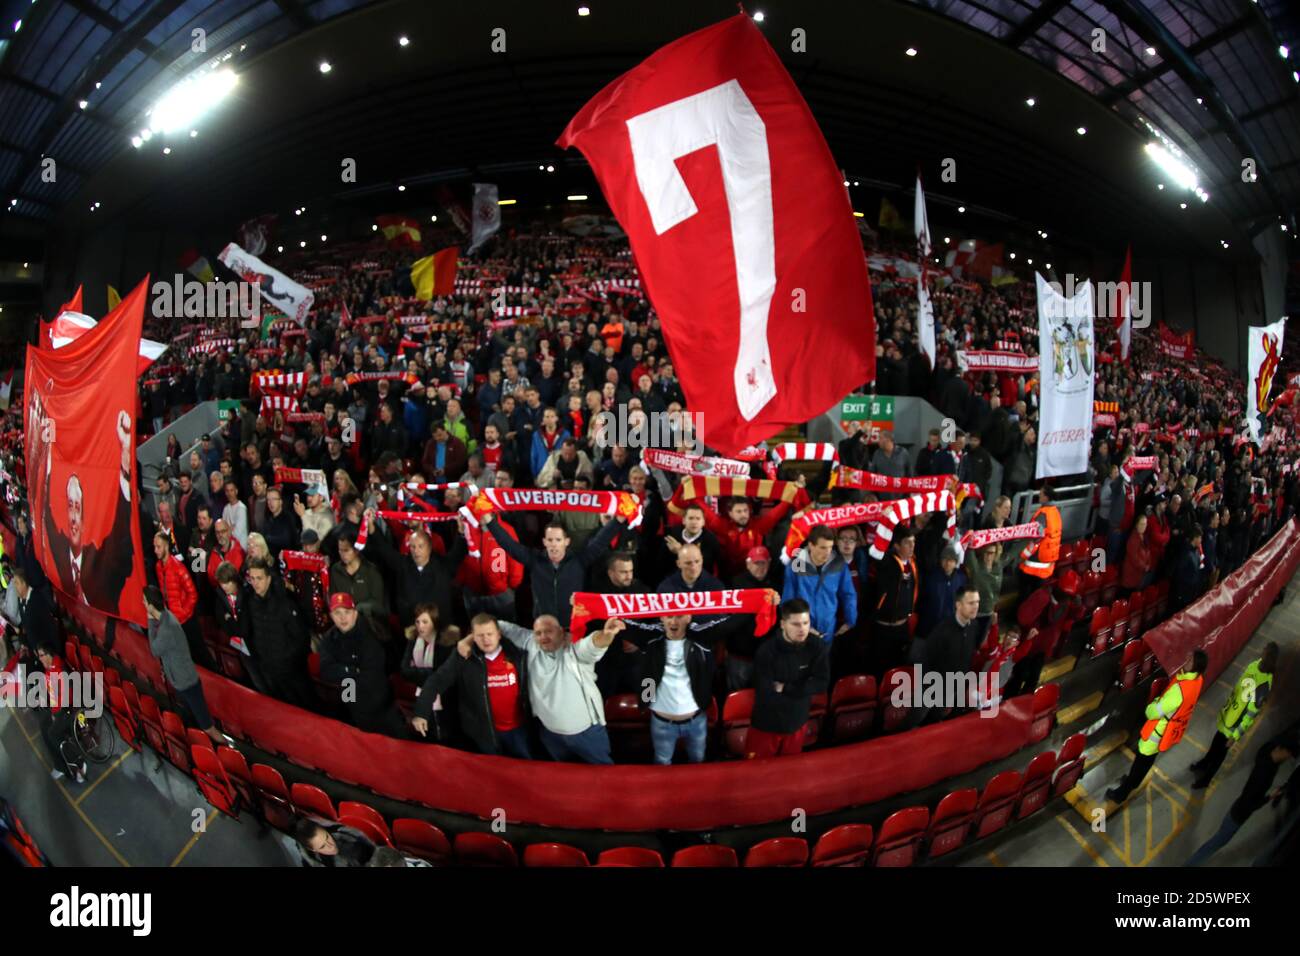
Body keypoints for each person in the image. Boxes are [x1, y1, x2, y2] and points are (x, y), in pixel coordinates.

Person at [37, 407, 135, 613]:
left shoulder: (102, 560)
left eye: (77, 507)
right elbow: (45, 513)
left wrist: (125, 453)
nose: (73, 517)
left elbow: (121, 532)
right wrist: (47, 448)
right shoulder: (62, 555)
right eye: (70, 506)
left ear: (83, 517)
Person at [497, 615, 626, 764]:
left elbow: (592, 646)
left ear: (561, 631)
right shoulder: (531, 642)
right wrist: (469, 638)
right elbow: (498, 625)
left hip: (587, 734)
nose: (543, 636)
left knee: (604, 776)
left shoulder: (575, 647)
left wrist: (607, 634)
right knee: (565, 779)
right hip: (550, 734)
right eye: (538, 633)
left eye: (548, 631)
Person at [412, 613, 534, 758]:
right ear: (472, 637)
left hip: (518, 730)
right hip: (485, 734)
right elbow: (436, 681)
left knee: (524, 768)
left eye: (489, 634)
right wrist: (421, 713)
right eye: (480, 635)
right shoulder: (464, 658)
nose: (486, 639)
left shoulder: (517, 654)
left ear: (499, 634)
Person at [483, 509, 624, 628]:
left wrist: (618, 520)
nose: (554, 544)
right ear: (544, 542)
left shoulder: (579, 560)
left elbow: (600, 541)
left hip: (572, 627)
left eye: (558, 540)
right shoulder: (534, 559)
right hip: (543, 627)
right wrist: (489, 521)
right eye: (550, 540)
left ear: (566, 542)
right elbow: (509, 545)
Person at [1106, 649, 1208, 804]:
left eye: (1190, 660)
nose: (1187, 660)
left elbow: (1154, 712)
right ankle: (1132, 782)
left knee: (1141, 762)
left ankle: (1121, 793)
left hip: (1157, 732)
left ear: (1196, 666)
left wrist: (1152, 705)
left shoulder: (1179, 691)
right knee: (1146, 761)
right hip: (1168, 731)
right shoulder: (1196, 680)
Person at [1185, 733, 1298, 866]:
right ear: (1281, 749)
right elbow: (1251, 803)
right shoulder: (1264, 774)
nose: (1288, 758)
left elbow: (1270, 745)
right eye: (1288, 754)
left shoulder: (1265, 753)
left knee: (1217, 840)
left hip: (1238, 806)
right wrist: (1269, 797)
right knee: (1217, 842)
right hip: (1239, 814)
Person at [142, 585, 228, 746]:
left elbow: (154, 650)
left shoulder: (167, 628)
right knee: (194, 722)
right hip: (181, 682)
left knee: (207, 727)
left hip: (187, 684)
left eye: (145, 601)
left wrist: (150, 622)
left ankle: (227, 751)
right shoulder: (166, 618)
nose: (143, 603)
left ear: (151, 605)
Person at [744, 598, 830, 758]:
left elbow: (822, 684)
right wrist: (803, 689)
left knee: (790, 775)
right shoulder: (766, 651)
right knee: (757, 774)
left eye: (806, 623)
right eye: (796, 624)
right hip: (766, 726)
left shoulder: (816, 646)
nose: (802, 629)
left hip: (797, 724)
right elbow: (765, 694)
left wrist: (786, 688)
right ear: (783, 624)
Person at [317, 593, 409, 738]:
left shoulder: (371, 632)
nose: (342, 618)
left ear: (354, 613)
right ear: (331, 616)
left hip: (382, 703)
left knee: (396, 741)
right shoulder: (329, 639)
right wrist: (352, 670)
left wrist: (343, 671)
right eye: (337, 613)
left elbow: (372, 674)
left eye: (346, 612)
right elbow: (326, 671)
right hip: (352, 703)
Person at [1190, 642, 1278, 789]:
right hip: (1230, 712)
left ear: (1269, 656)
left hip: (1235, 723)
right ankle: (1204, 763)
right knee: (1216, 741)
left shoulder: (1264, 683)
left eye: (1265, 650)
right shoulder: (1255, 664)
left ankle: (1206, 779)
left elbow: (1252, 713)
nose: (1262, 651)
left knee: (1220, 753)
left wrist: (1236, 735)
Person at [363, 509, 467, 627]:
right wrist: (371, 524)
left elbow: (459, 551)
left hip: (440, 629)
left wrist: (461, 531)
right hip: (411, 629)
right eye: (412, 547)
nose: (416, 551)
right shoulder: (403, 564)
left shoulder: (443, 565)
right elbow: (383, 548)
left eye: (420, 546)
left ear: (429, 547)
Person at [638, 614, 716, 765]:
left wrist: (763, 602)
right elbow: (620, 623)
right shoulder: (651, 641)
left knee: (698, 761)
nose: (673, 622)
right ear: (661, 617)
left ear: (688, 617)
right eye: (669, 616)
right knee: (662, 762)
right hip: (662, 722)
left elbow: (733, 622)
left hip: (696, 720)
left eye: (679, 616)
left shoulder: (701, 640)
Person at [245, 558, 317, 710]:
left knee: (308, 707)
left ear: (269, 578)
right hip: (271, 671)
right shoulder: (251, 602)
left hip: (293, 671)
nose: (255, 583)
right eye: (252, 578)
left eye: (259, 578)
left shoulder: (284, 602)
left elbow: (301, 638)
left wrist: (287, 661)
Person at [781, 524, 857, 667]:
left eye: (830, 547)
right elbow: (788, 601)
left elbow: (848, 594)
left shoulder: (838, 564)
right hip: (801, 631)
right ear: (811, 545)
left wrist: (850, 620)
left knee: (821, 672)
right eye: (822, 547)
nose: (827, 552)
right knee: (800, 673)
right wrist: (802, 627)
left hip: (827, 631)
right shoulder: (796, 565)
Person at [907, 584, 982, 726]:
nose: (976, 606)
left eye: (977, 602)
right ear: (958, 605)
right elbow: (924, 660)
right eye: (971, 603)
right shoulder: (942, 631)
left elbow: (967, 659)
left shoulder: (974, 626)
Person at [868, 525, 919, 675]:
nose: (912, 546)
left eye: (913, 542)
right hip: (883, 629)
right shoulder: (887, 562)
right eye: (907, 543)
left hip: (902, 627)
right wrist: (886, 524)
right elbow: (876, 552)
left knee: (899, 671)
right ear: (896, 545)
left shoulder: (913, 563)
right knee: (880, 671)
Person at [1018, 485, 1061, 588]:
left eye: (1041, 494)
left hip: (1034, 564)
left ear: (1046, 497)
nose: (1039, 496)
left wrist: (1022, 555)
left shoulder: (1043, 515)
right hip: (1047, 564)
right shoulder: (1055, 512)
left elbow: (1035, 539)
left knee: (1025, 595)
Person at [12, 568, 57, 660]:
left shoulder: (37, 599)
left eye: (16, 583)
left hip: (47, 653)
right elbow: (26, 627)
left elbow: (48, 627)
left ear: (24, 584)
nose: (14, 586)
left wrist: (47, 653)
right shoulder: (20, 600)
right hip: (35, 652)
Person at [295, 818, 375, 868]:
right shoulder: (310, 862)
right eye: (323, 846)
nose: (331, 846)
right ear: (312, 849)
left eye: (327, 837)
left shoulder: (350, 842)